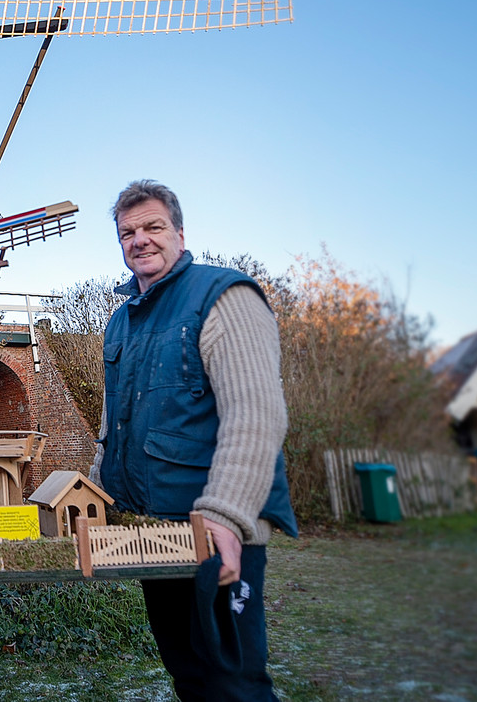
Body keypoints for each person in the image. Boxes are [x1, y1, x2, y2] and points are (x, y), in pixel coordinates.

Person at [92, 180, 297, 701]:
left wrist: (225, 515)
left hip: (215, 530)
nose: (140, 239)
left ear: (180, 235)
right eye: (128, 233)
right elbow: (114, 426)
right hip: (154, 532)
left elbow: (255, 414)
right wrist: (94, 497)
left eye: (153, 226)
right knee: (188, 675)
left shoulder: (223, 296)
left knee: (233, 682)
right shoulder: (121, 322)